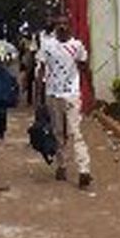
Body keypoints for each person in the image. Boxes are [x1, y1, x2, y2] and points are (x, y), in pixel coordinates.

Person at [37, 19, 93, 189]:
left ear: (70, 26)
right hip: (53, 94)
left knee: (75, 132)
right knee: (58, 132)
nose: (62, 27)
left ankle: (84, 170)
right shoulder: (47, 45)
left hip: (71, 95)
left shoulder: (77, 46)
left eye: (65, 24)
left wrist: (92, 91)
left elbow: (84, 68)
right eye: (59, 25)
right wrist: (39, 98)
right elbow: (41, 70)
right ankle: (61, 165)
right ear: (55, 28)